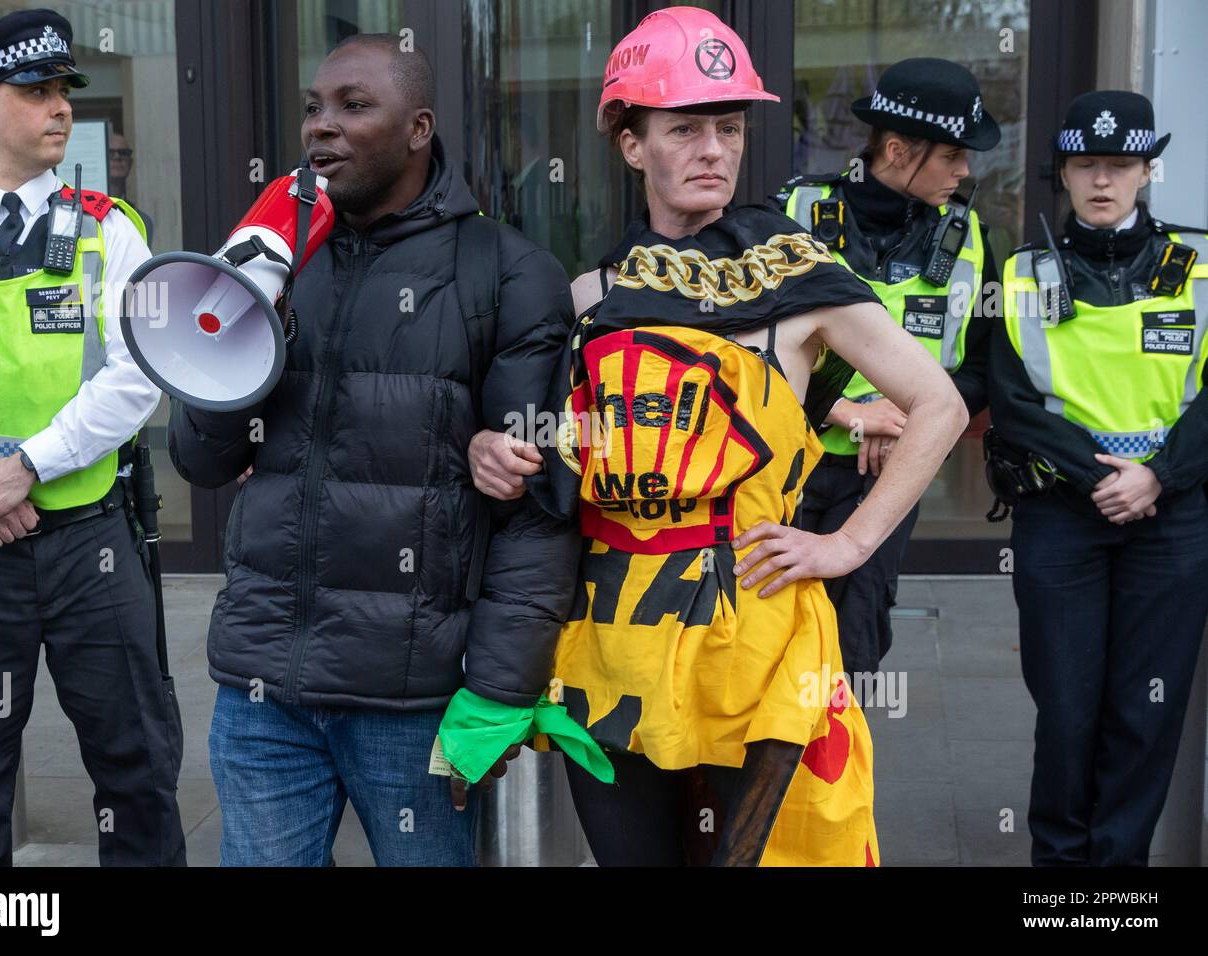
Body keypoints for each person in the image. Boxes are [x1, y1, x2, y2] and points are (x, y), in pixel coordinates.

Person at [472, 6, 968, 866]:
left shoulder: (801, 275)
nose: (713, 149)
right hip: (611, 641)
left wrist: (846, 544)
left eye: (729, 128)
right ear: (633, 145)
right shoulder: (591, 296)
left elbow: (940, 406)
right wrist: (497, 453)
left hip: (754, 642)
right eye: (685, 128)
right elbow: (558, 452)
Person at [166, 33, 581, 867]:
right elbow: (201, 460)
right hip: (261, 690)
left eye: (355, 107)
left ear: (419, 127)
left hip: (414, 700)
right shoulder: (278, 258)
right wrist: (241, 329)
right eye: (315, 108)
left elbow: (539, 512)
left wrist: (500, 691)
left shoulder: (508, 274)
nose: (323, 127)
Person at [0, 9, 184, 866]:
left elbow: (140, 370)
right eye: (36, 92)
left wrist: (25, 467)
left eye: (64, 91)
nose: (60, 107)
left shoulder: (111, 228)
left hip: (91, 545)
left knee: (136, 765)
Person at [988, 90, 1208, 866]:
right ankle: (1060, 877)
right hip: (1061, 513)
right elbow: (1013, 404)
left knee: (1145, 710)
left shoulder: (1202, 267)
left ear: (1148, 170)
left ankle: (1117, 884)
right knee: (1068, 708)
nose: (1103, 181)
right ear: (1065, 175)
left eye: (1119, 165)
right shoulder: (1019, 277)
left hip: (1171, 515)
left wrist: (1158, 477)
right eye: (1087, 166)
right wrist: (1100, 477)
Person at [775, 58, 1001, 680]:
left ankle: (837, 778)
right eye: (953, 154)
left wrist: (902, 419)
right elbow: (744, 352)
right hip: (784, 465)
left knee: (853, 649)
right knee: (765, 635)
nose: (965, 170)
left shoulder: (973, 239)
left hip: (883, 480)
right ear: (897, 149)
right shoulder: (791, 212)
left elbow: (982, 367)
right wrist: (850, 413)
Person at [107, 130, 155, 245]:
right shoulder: (86, 216)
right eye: (110, 152)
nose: (117, 157)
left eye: (123, 153)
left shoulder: (142, 221)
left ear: (131, 163)